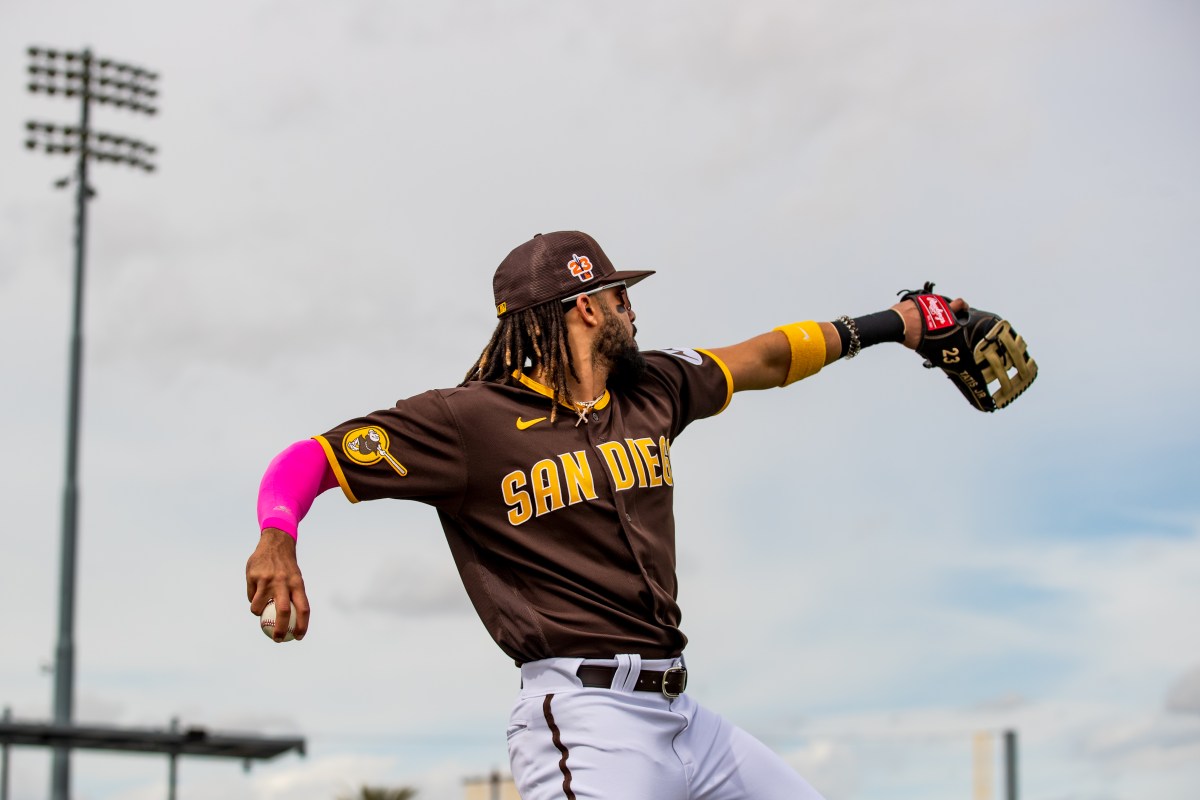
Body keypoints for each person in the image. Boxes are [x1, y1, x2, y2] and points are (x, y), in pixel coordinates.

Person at [245, 230, 964, 800]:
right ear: (586, 306)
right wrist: (278, 533)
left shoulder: (653, 386)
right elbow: (313, 457)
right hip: (587, 718)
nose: (632, 310)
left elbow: (768, 358)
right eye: (620, 298)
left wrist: (896, 323)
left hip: (686, 715)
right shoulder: (469, 422)